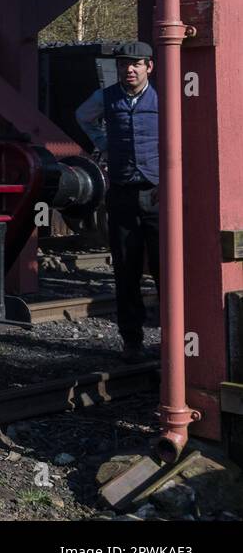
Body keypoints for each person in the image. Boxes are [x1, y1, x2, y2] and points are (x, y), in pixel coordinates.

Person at [74, 41, 160, 362]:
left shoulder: (162, 98)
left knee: (166, 271)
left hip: (157, 194)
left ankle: (171, 341)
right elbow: (83, 116)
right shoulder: (106, 97)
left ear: (149, 67)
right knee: (127, 271)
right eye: (124, 64)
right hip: (122, 194)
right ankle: (132, 341)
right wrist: (103, 143)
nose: (129, 69)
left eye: (136, 64)